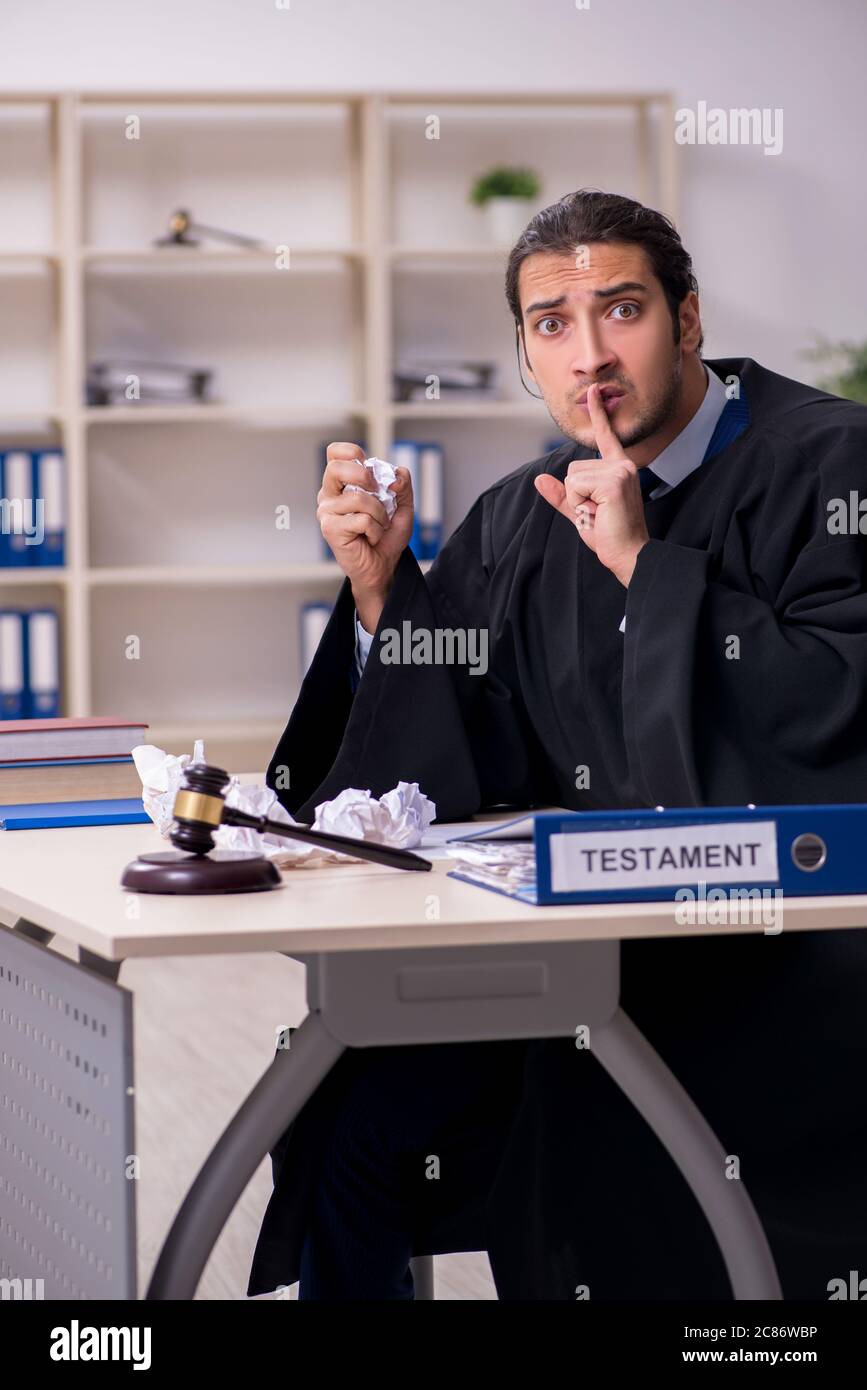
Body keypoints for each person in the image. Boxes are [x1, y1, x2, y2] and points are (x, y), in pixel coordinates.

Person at [247, 189, 867, 1301]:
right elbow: (466, 753)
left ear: (688, 320)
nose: (591, 355)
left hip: (781, 969)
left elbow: (836, 712)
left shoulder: (833, 464)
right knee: (351, 1111)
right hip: (577, 962)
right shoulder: (520, 513)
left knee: (615, 1150)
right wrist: (388, 588)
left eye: (621, 309)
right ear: (526, 356)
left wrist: (646, 566)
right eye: (551, 324)